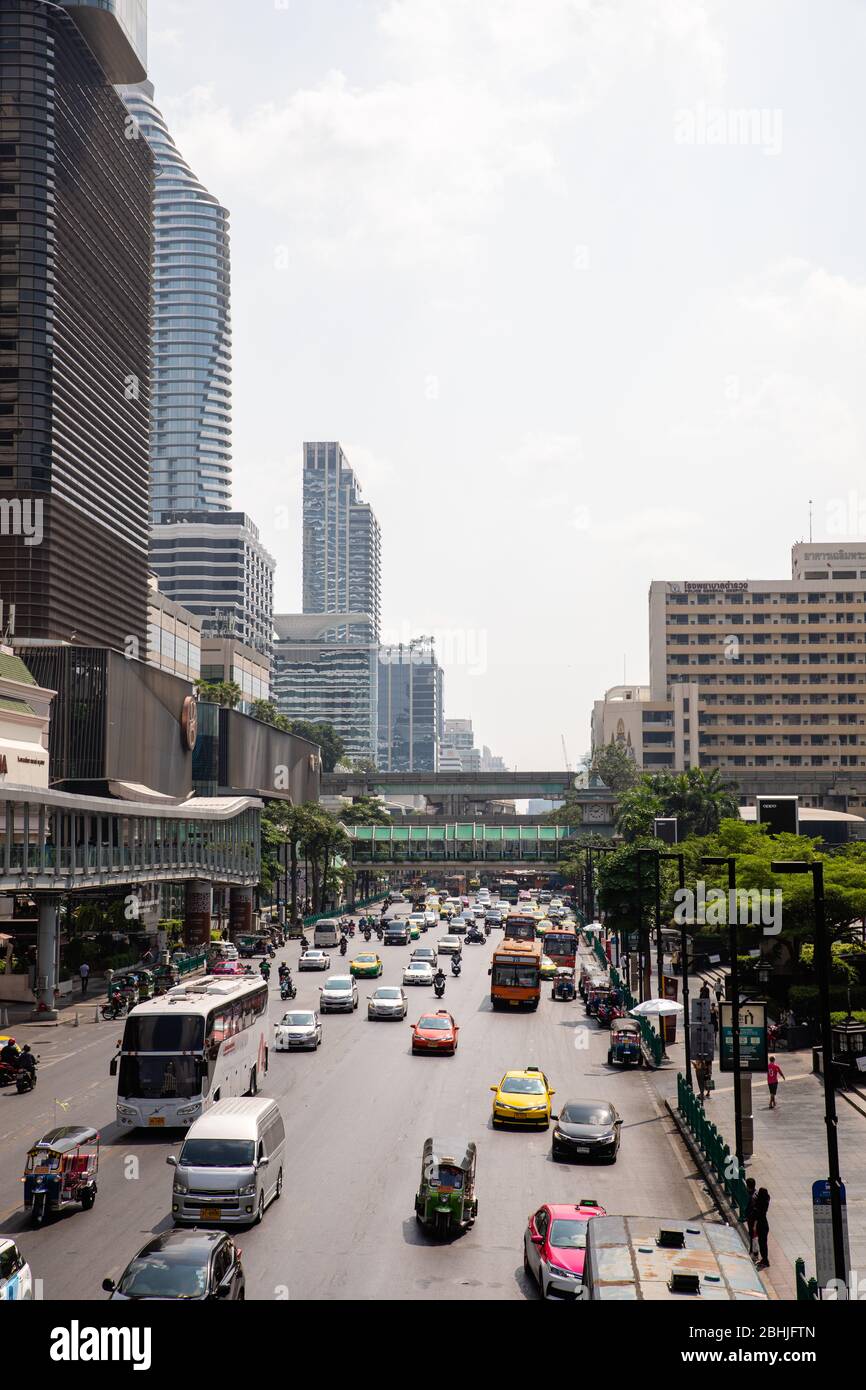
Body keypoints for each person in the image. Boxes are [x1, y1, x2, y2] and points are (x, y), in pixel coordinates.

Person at [754, 1187, 771, 1268]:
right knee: (763, 1243)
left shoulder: (760, 1204)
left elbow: (756, 1214)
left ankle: (765, 1260)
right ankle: (764, 1259)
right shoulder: (766, 1201)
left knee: (762, 1243)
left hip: (761, 1225)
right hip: (764, 1224)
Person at [744, 1177, 758, 1258]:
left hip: (752, 1220)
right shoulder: (756, 1193)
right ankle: (753, 1251)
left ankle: (753, 1252)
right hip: (753, 1219)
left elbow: (752, 1209)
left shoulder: (752, 1197)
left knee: (753, 1235)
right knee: (753, 1236)